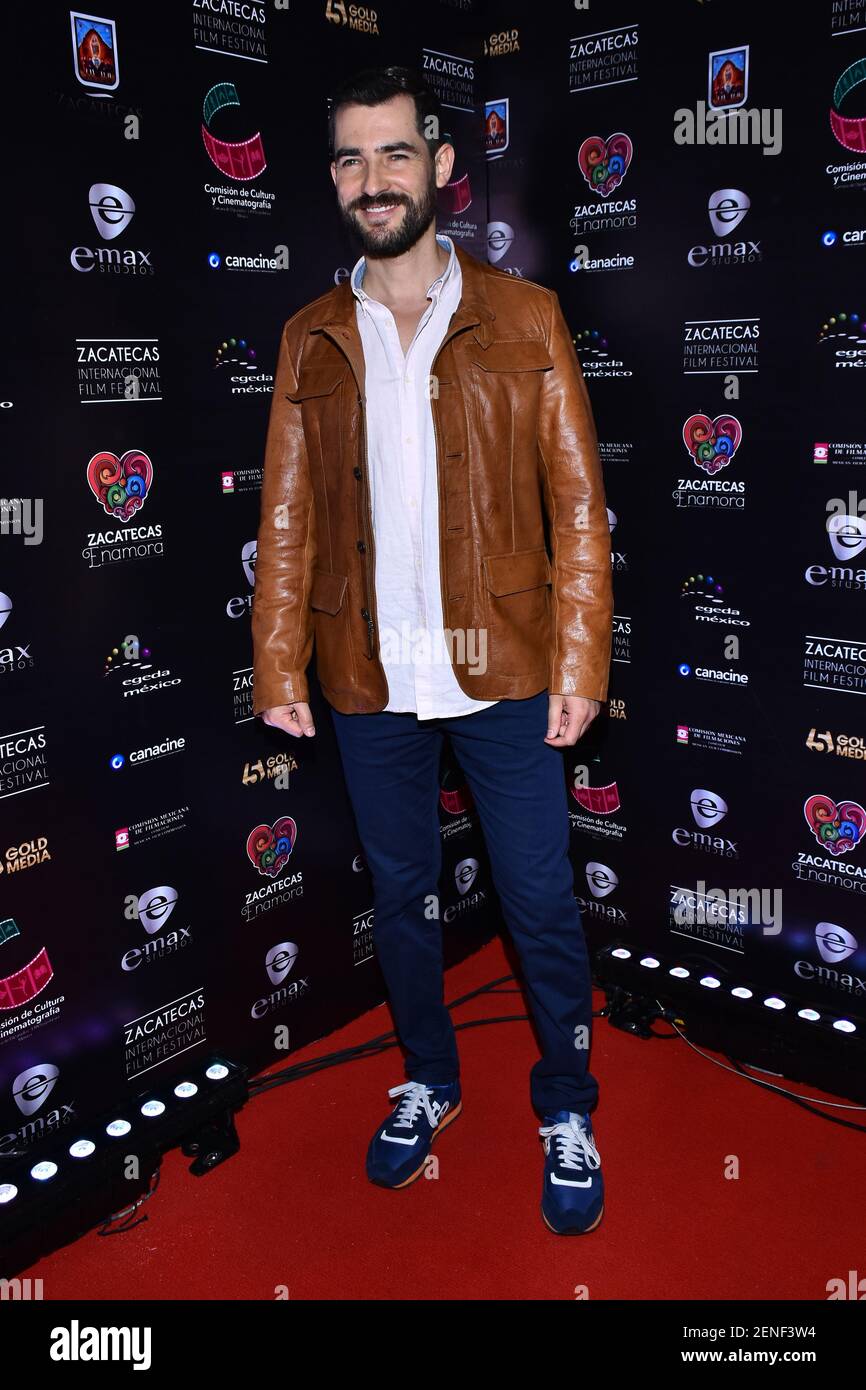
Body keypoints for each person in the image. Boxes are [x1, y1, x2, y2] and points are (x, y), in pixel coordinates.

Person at [251, 65, 614, 1235]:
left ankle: (565, 1101)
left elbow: (577, 506)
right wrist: (274, 664)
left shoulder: (524, 316)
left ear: (442, 167)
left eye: (394, 153)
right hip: (366, 673)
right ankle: (431, 1077)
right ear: (333, 180)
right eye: (352, 158)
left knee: (539, 899)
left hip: (502, 662)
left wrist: (578, 660)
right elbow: (286, 514)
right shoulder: (309, 335)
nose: (374, 179)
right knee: (401, 901)